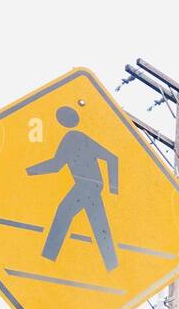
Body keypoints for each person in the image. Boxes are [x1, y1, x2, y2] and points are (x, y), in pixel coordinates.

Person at [27, 106, 120, 271]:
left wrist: (114, 190)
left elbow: (112, 158)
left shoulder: (74, 137)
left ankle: (47, 260)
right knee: (99, 225)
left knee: (64, 213)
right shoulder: (73, 138)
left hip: (87, 185)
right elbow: (57, 165)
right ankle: (113, 266)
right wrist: (30, 171)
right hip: (90, 185)